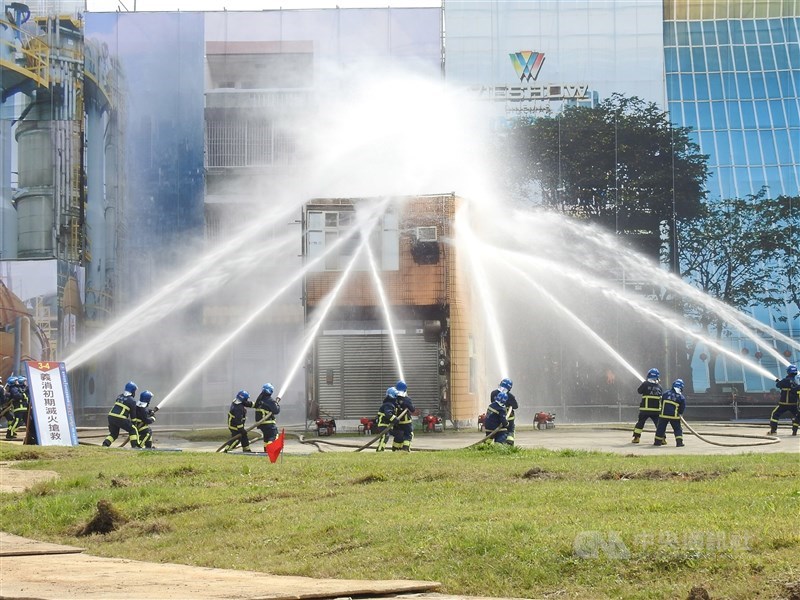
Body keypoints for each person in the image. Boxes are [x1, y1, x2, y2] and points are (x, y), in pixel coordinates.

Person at [102, 382, 140, 448]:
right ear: (133, 391)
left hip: (111, 417)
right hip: (120, 417)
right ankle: (135, 446)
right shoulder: (132, 400)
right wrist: (134, 423)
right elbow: (133, 414)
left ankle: (105, 444)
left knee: (114, 434)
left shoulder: (119, 396)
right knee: (133, 429)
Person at [633, 368, 663, 444]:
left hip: (645, 410)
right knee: (659, 425)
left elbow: (639, 391)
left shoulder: (645, 384)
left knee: (640, 423)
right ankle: (662, 439)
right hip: (656, 411)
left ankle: (636, 438)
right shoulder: (659, 386)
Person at [654, 379, 686, 447]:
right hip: (674, 416)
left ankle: (657, 442)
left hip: (663, 415)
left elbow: (662, 402)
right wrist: (680, 413)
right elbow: (682, 408)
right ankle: (679, 442)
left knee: (661, 428)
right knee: (677, 429)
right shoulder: (681, 397)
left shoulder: (666, 393)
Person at [769, 364, 799, 436]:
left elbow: (778, 385)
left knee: (775, 414)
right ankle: (794, 431)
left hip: (783, 404)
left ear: (788, 372)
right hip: (794, 404)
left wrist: (779, 381)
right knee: (798, 416)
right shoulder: (796, 381)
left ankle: (773, 431)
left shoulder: (785, 380)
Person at [490, 378, 517, 445]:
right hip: (509, 417)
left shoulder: (493, 393)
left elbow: (492, 402)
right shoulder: (510, 396)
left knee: (494, 431)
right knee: (510, 430)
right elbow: (516, 406)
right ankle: (510, 442)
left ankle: (489, 444)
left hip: (495, 417)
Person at [253, 383, 281, 449]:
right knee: (274, 435)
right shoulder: (269, 400)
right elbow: (276, 411)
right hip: (269, 423)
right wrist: (277, 405)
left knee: (267, 438)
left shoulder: (260, 399)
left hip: (261, 424)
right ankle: (269, 448)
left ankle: (266, 451)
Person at [392, 380, 416, 452]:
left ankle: (395, 449)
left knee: (398, 436)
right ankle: (405, 448)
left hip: (396, 422)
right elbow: (412, 410)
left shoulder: (394, 399)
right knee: (408, 435)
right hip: (406, 422)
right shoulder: (406, 399)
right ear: (405, 389)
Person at [375, 387, 399, 452]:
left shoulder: (392, 404)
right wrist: (395, 419)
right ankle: (380, 450)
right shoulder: (388, 405)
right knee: (385, 436)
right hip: (383, 424)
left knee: (399, 434)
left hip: (387, 425)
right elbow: (388, 414)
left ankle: (397, 449)